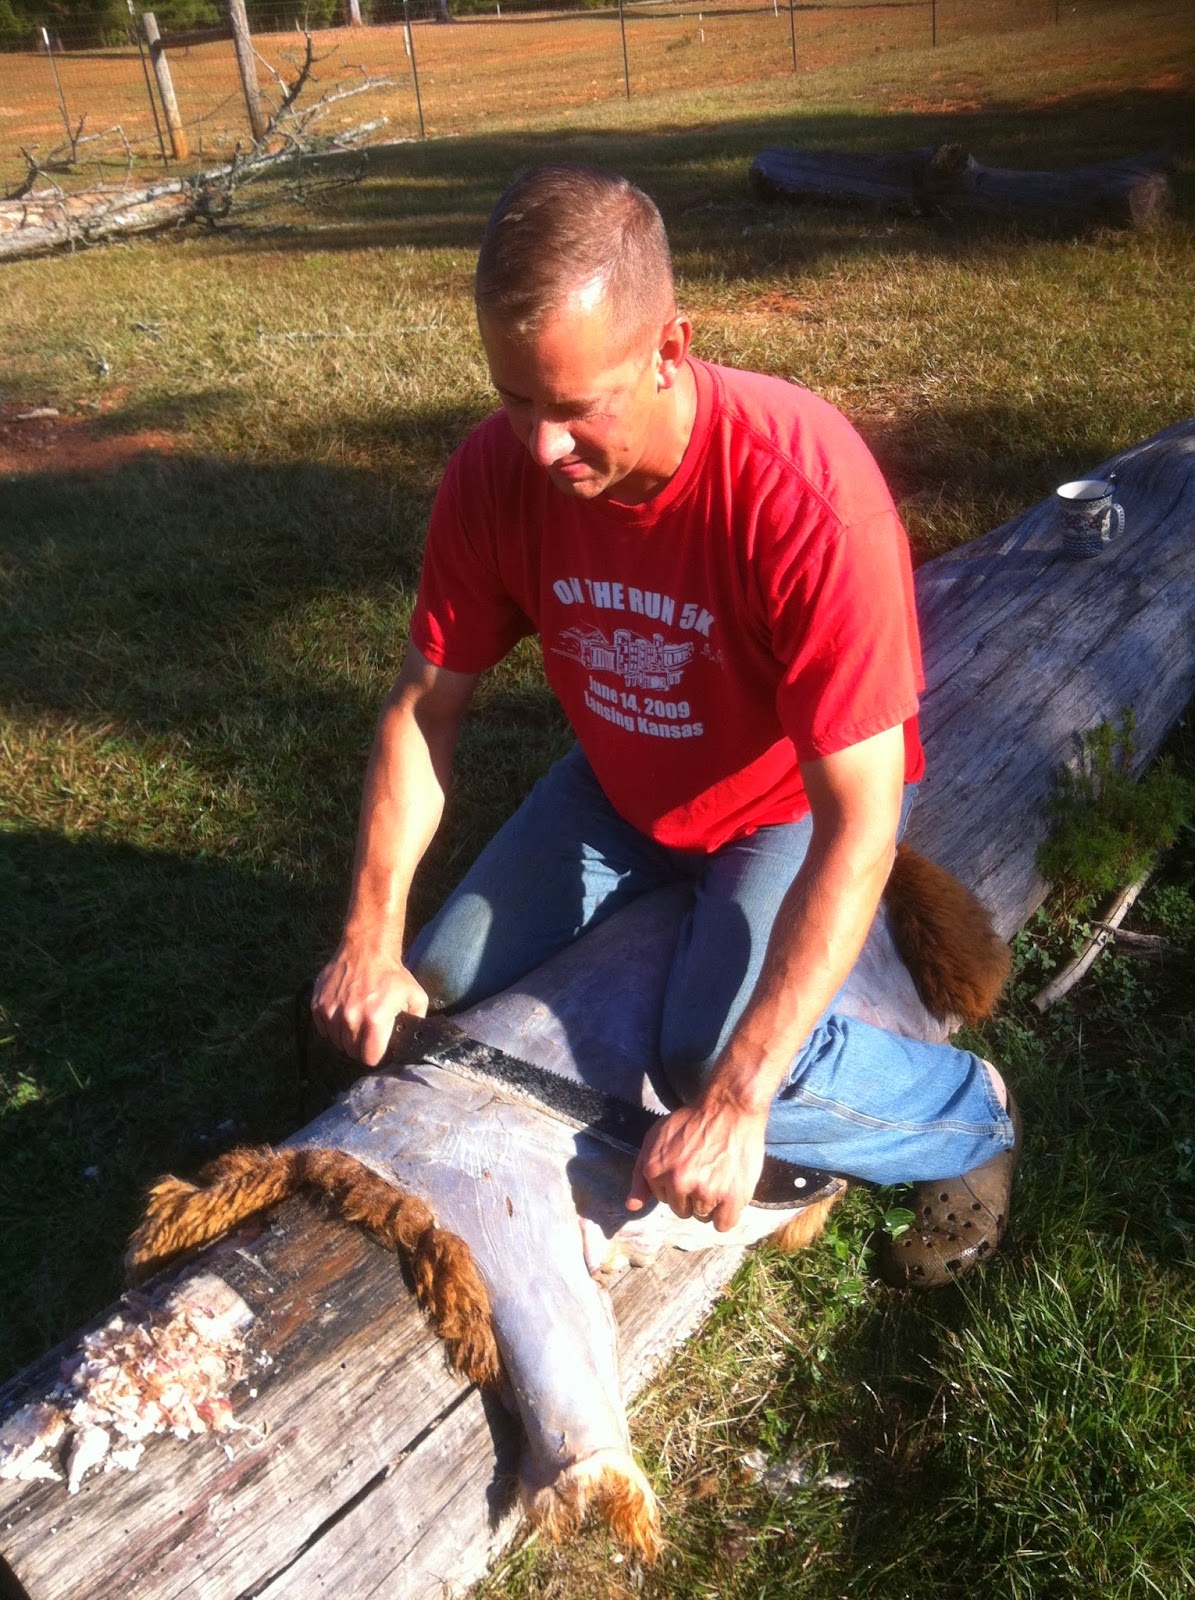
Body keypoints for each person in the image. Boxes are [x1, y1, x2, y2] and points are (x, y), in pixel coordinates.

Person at [312, 164, 1019, 1286]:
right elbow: (423, 706)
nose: (539, 447)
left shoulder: (802, 494)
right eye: (513, 399)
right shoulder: (497, 474)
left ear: (670, 348)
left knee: (707, 1055)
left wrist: (739, 1100)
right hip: (622, 785)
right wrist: (370, 934)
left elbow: (861, 822)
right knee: (438, 990)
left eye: (572, 405)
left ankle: (959, 1116)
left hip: (781, 803)